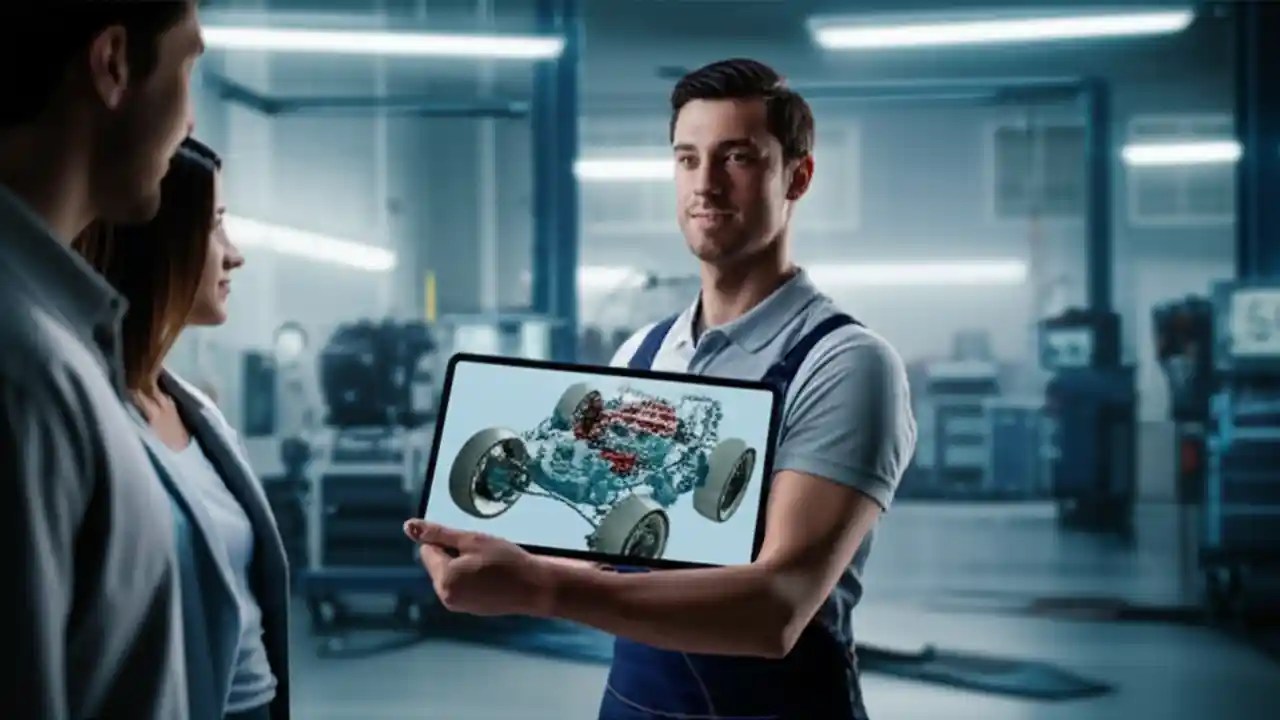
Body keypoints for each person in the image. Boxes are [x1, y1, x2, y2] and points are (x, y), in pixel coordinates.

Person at [403, 58, 917, 719]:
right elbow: (604, 560)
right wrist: (498, 552)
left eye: (737, 158)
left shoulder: (847, 365)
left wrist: (541, 589)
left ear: (798, 175)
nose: (705, 183)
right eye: (687, 158)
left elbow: (777, 608)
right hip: (635, 703)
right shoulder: (642, 352)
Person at [0, 2, 204, 718]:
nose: (189, 125)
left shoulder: (60, 339)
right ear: (114, 63)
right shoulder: (23, 368)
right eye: (187, 69)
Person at [74, 138, 292, 720]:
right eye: (216, 224)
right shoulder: (82, 413)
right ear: (157, 240)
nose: (235, 253)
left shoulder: (197, 412)